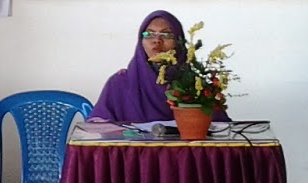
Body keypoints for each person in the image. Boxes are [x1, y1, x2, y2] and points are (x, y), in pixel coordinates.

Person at [88, 10, 226, 124]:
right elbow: (98, 127)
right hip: (134, 155)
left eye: (166, 34)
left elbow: (219, 128)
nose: (157, 40)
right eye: (149, 34)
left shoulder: (196, 85)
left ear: (179, 41)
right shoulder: (120, 83)